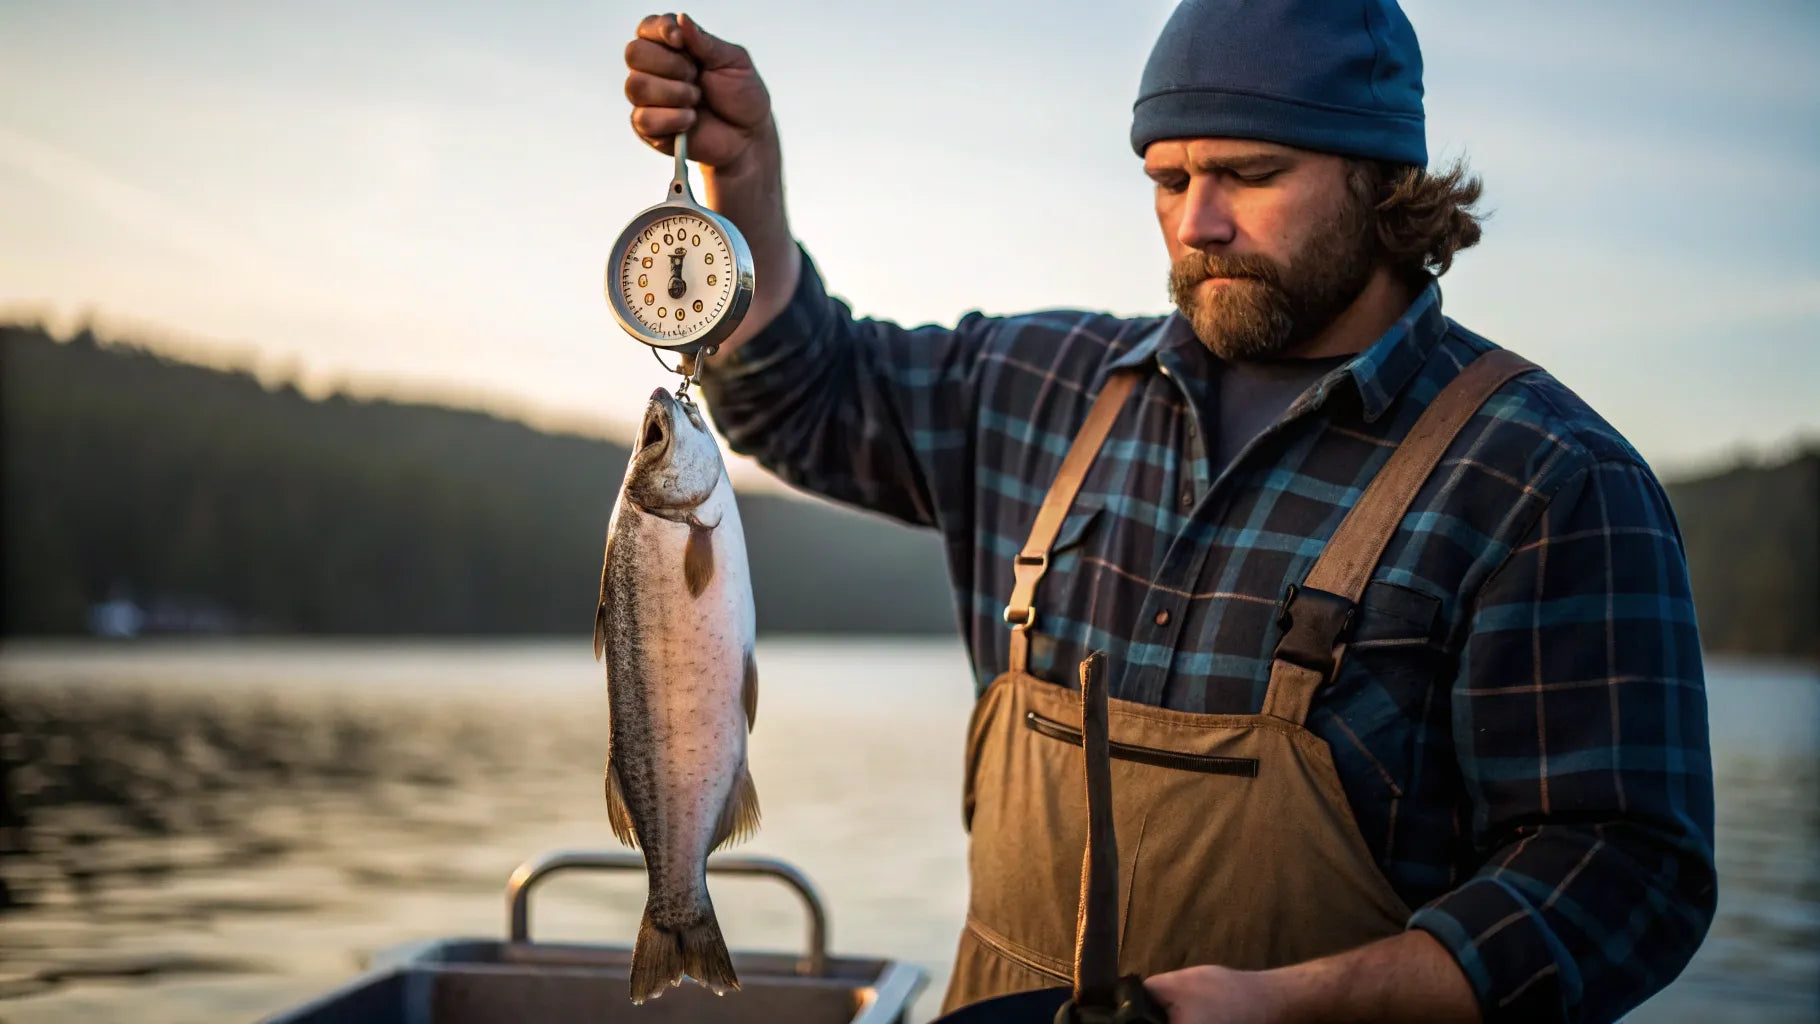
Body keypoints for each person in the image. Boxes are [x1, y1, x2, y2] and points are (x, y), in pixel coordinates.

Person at [619, 2, 1716, 1022]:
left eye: (1249, 172)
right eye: (1166, 176)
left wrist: (1292, 1006)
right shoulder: (1038, 386)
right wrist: (742, 174)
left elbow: (1625, 874)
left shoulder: (1547, 478)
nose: (1197, 224)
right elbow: (805, 392)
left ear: (1383, 178)